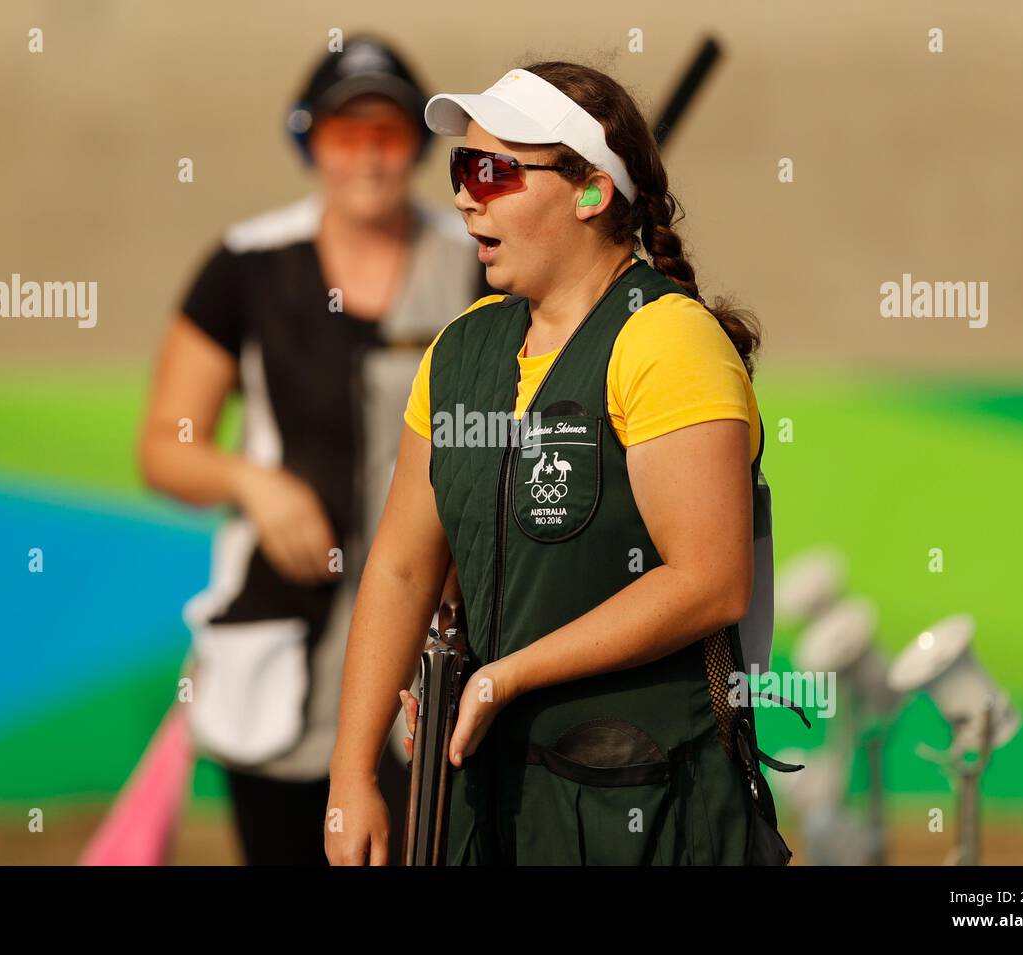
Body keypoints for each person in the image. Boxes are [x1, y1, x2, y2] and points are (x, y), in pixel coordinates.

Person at [326, 61, 783, 866]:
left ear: (591, 192)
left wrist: (503, 679)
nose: (466, 194)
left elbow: (710, 578)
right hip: (489, 805)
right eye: (461, 169)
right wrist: (352, 771)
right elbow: (401, 568)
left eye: (493, 171)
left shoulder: (665, 341)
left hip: (646, 810)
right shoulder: (464, 347)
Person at [138, 36, 493, 865]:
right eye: (344, 134)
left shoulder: (478, 261)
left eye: (390, 134)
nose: (368, 158)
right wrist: (255, 484)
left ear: (418, 144)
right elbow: (165, 446)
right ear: (309, 143)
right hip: (280, 642)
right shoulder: (247, 265)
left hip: (439, 647)